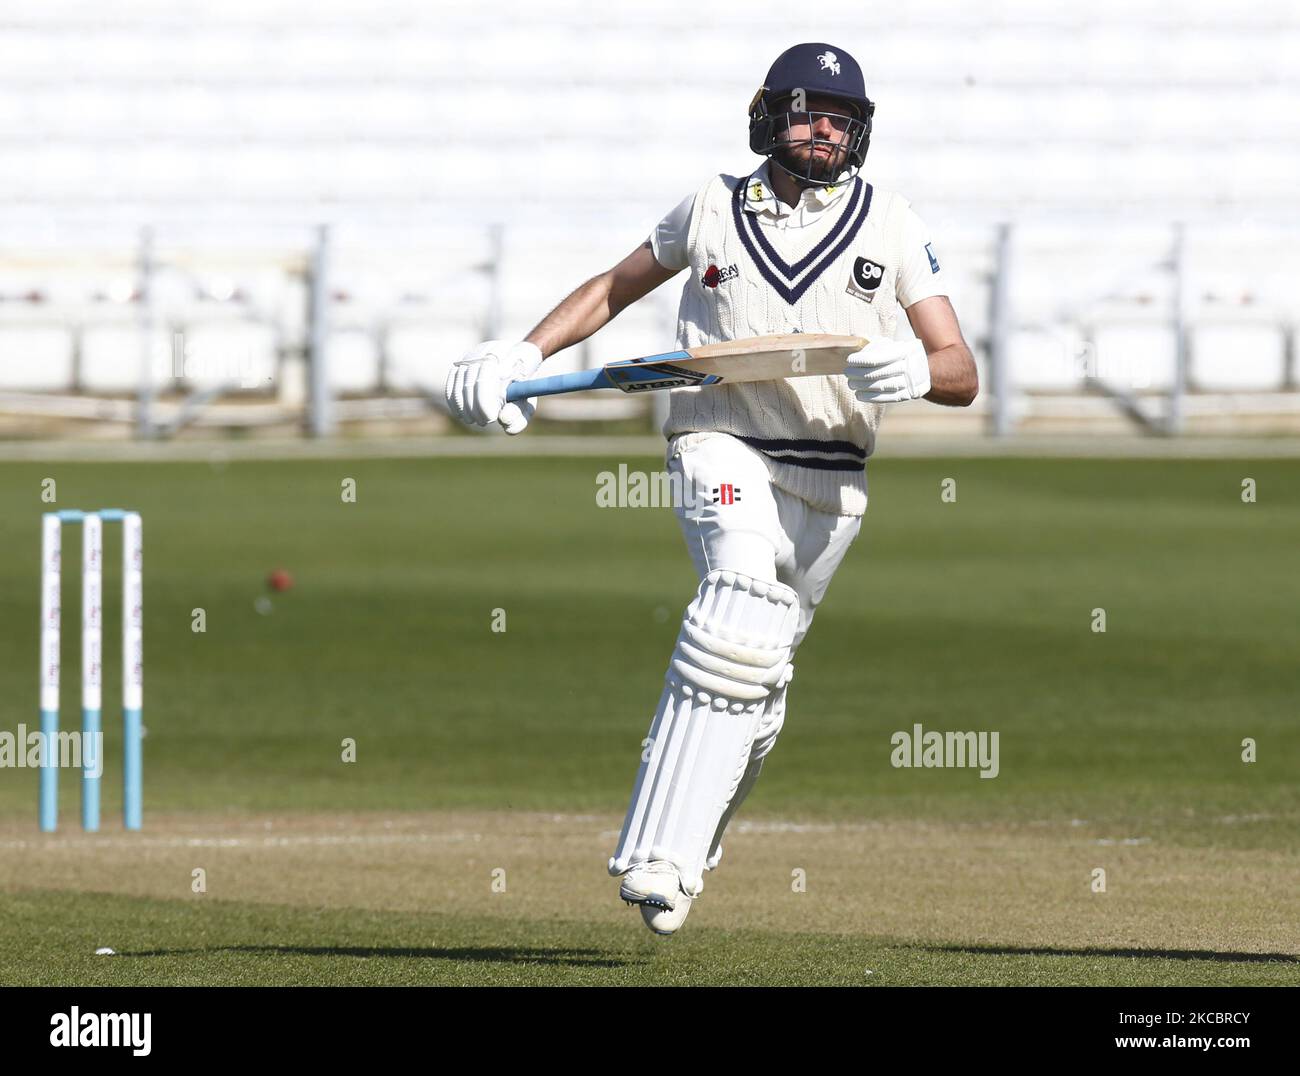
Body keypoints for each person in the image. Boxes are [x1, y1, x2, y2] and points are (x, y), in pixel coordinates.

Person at [445, 42, 978, 936]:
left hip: (831, 480)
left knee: (762, 678)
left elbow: (962, 368)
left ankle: (697, 838)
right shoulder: (711, 206)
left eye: (841, 118)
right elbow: (616, 286)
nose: (824, 129)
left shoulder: (891, 222)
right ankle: (656, 855)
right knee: (736, 597)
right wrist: (522, 354)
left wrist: (918, 372)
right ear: (770, 114)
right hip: (720, 444)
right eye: (809, 111)